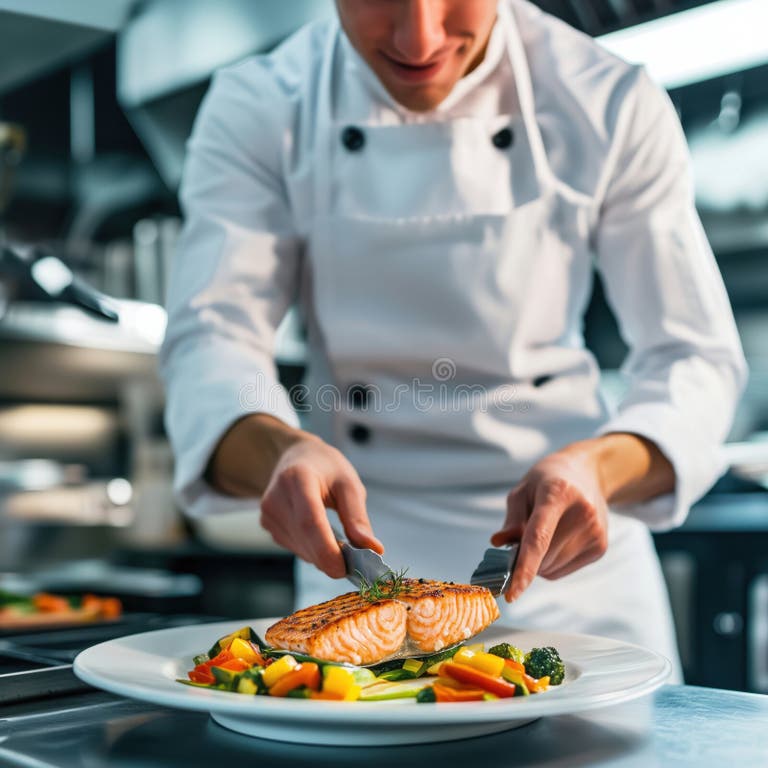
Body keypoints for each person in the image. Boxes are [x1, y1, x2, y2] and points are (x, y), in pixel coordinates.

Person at [159, 0, 746, 681]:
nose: (420, 36)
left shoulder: (606, 97)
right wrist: (278, 454)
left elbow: (693, 357)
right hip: (354, 571)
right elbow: (211, 338)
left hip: (574, 579)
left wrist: (601, 467)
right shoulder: (261, 105)